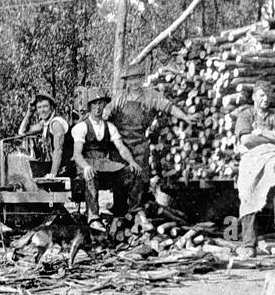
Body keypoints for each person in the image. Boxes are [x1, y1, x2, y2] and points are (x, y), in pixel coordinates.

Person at [70, 87, 144, 232]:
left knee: (130, 173)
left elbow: (121, 148)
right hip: (86, 165)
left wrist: (132, 162)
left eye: (101, 104)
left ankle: (122, 213)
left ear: (104, 105)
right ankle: (94, 218)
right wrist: (85, 166)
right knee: (91, 175)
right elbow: (77, 154)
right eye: (94, 104)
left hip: (104, 165)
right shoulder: (81, 127)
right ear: (90, 106)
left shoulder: (110, 127)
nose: (98, 108)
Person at [234, 81, 275, 257]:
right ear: (254, 97)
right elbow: (246, 140)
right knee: (247, 188)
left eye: (268, 95)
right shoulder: (246, 115)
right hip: (251, 158)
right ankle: (249, 243)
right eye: (261, 95)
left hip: (274, 156)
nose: (265, 99)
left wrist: (261, 133)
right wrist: (270, 137)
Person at [106, 65, 196, 172]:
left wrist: (185, 117)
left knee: (139, 181)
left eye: (137, 78)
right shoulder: (120, 97)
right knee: (120, 181)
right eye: (131, 79)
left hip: (140, 147)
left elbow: (170, 107)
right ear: (127, 81)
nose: (134, 82)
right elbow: (107, 111)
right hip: (119, 147)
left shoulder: (151, 96)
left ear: (142, 79)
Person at [15, 91, 70, 179]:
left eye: (45, 106)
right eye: (39, 107)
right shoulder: (44, 124)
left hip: (67, 169)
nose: (42, 110)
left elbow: (58, 150)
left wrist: (53, 173)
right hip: (56, 169)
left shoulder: (56, 123)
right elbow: (23, 131)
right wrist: (30, 112)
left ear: (52, 107)